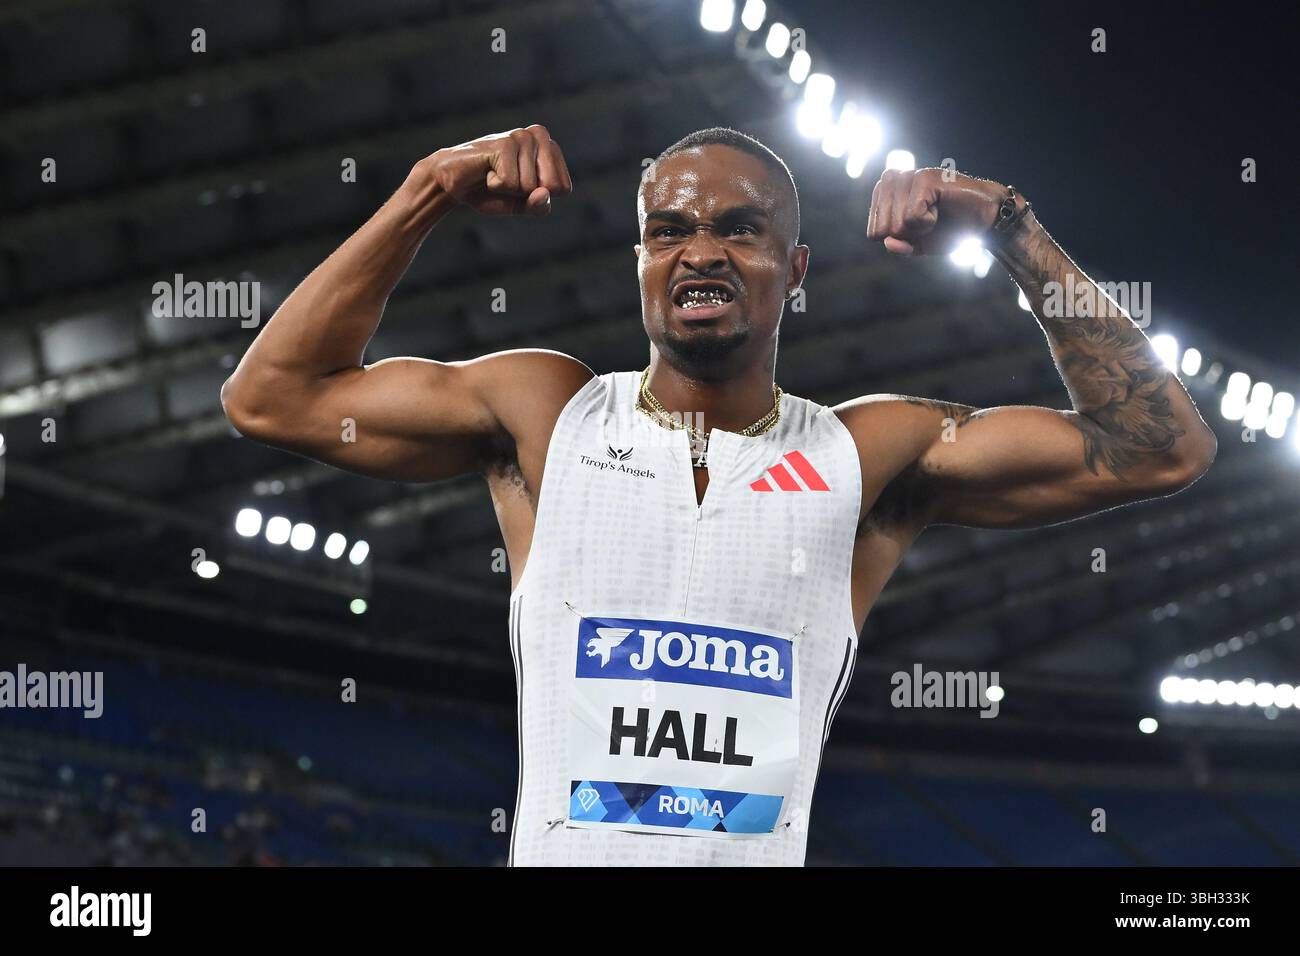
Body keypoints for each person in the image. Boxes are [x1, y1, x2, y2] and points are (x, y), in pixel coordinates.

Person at [221, 124, 1217, 865]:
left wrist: (1009, 225)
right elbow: (272, 397)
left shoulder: (864, 455)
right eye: (669, 230)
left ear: (794, 271)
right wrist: (425, 191)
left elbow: (1157, 447)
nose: (700, 250)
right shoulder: (544, 412)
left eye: (740, 230)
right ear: (643, 264)